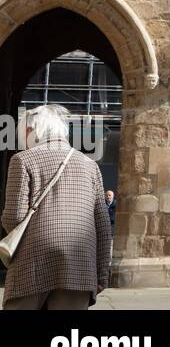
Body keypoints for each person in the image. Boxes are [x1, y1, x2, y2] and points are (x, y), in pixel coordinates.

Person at [1, 105, 112, 310]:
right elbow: (103, 226)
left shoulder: (23, 160)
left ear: (31, 130)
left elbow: (13, 217)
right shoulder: (90, 166)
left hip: (33, 261)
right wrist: (102, 273)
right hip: (79, 265)